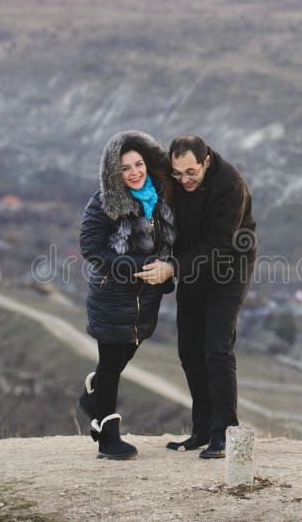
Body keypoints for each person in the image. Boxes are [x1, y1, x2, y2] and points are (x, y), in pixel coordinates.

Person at [136, 135, 256, 459]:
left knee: (216, 348)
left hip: (228, 268)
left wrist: (172, 267)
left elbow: (220, 245)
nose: (184, 180)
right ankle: (202, 430)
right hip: (190, 266)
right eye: (177, 174)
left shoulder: (231, 185)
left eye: (190, 173)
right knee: (189, 350)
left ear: (204, 162)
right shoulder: (175, 178)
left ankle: (225, 433)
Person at [77, 130, 176, 460]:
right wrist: (138, 264)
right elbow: (91, 249)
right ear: (112, 172)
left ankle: (93, 398)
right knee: (110, 363)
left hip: (146, 298)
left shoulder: (162, 199)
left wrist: (169, 266)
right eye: (125, 168)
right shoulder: (104, 202)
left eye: (139, 164)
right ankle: (107, 439)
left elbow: (175, 244)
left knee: (118, 362)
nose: (135, 172)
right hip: (113, 296)